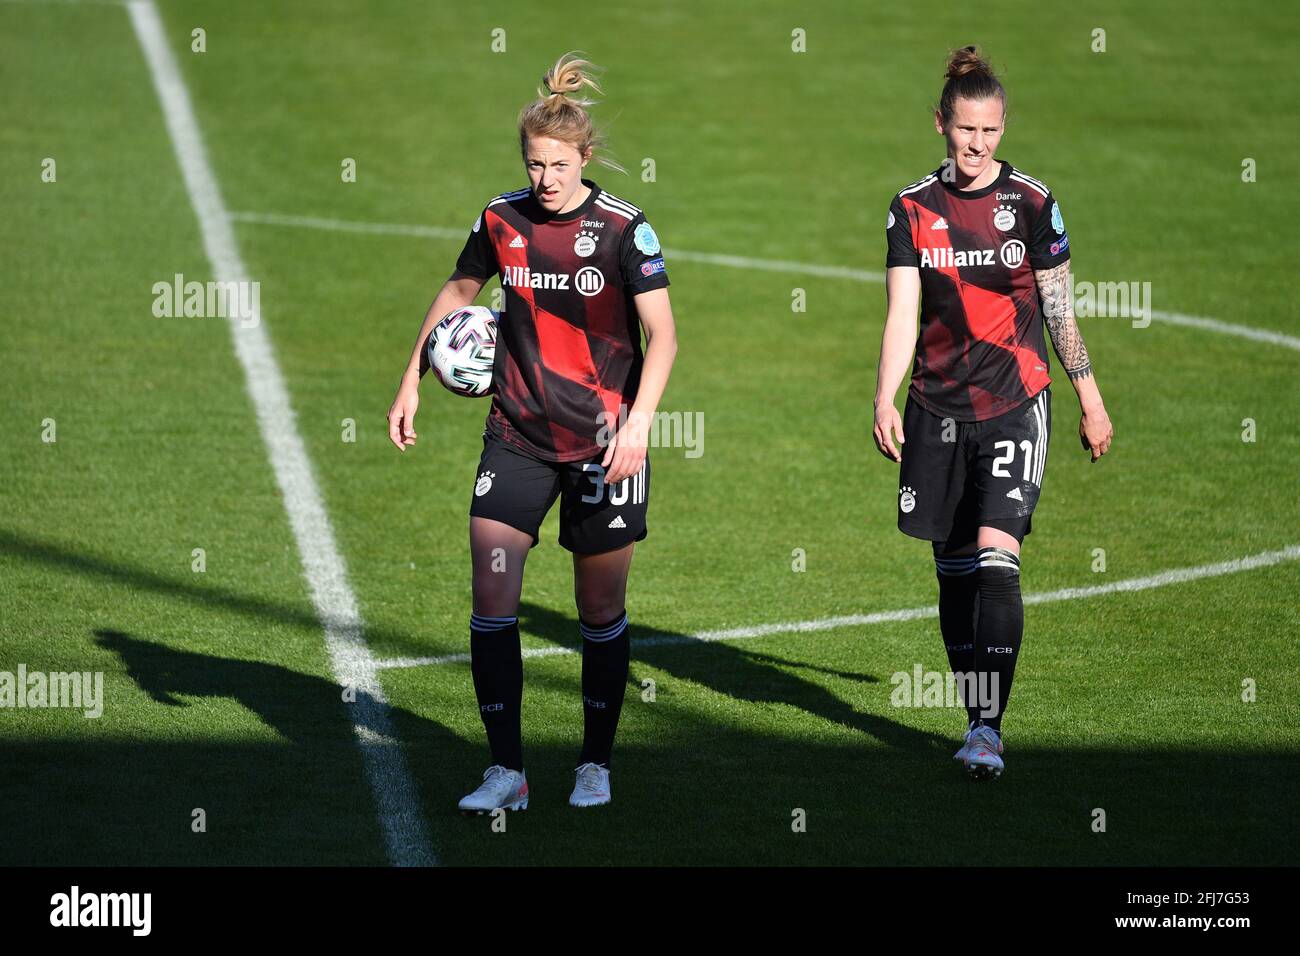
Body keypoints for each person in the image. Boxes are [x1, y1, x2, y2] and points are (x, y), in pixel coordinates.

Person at [386, 53, 678, 811]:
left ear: (584, 157)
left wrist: (639, 425)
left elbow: (665, 338)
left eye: (557, 164)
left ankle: (594, 766)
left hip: (605, 444)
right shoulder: (502, 220)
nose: (545, 178)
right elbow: (457, 291)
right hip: (515, 435)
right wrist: (410, 378)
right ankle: (506, 771)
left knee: (599, 611)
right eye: (533, 164)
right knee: (492, 595)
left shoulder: (625, 231)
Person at [872, 46, 1113, 779]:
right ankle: (973, 712)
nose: (976, 146)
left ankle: (987, 730)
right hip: (934, 410)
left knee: (996, 561)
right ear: (940, 122)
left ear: (1003, 128)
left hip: (1015, 402)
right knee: (951, 572)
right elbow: (903, 312)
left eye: (990, 132)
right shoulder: (912, 207)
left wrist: (1091, 399)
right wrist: (884, 394)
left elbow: (1060, 307)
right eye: (964, 131)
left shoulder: (1033, 204)